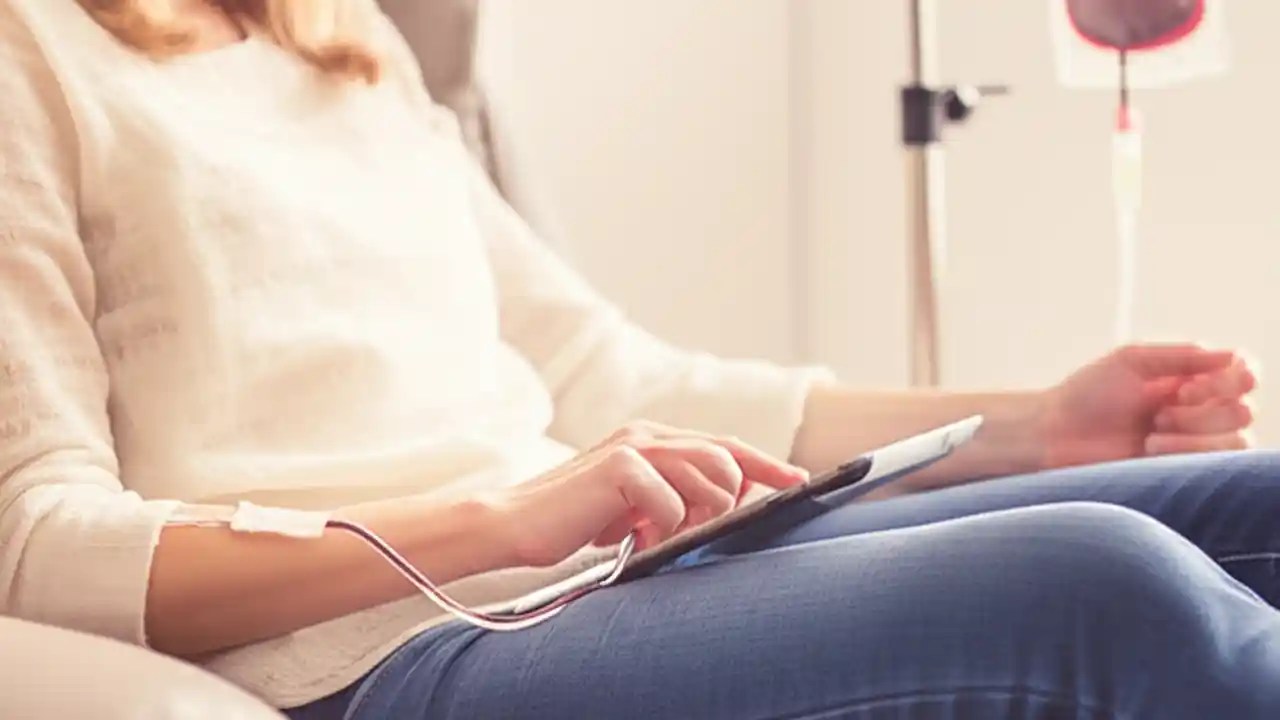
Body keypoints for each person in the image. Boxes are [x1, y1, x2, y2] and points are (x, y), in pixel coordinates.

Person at [0, 1, 1275, 718]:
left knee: (1250, 506)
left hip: (596, 566)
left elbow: (604, 375)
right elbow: (41, 548)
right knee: (1102, 587)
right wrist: (503, 519)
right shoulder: (31, 54)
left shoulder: (339, 41)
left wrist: (1034, 426)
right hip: (381, 648)